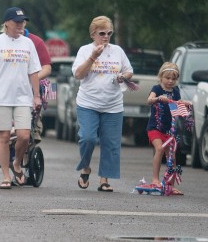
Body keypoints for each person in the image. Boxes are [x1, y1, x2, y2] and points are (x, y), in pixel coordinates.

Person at [0, 7, 42, 189]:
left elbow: (33, 72)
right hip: (1, 97)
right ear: (6, 23)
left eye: (23, 21)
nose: (21, 25)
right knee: (4, 137)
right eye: (17, 22)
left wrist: (37, 96)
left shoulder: (28, 44)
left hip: (23, 97)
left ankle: (16, 164)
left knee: (23, 136)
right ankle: (6, 175)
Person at [72, 15, 133, 193]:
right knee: (88, 138)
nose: (106, 37)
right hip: (88, 103)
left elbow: (129, 71)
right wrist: (93, 57)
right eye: (102, 33)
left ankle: (104, 179)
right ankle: (85, 168)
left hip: (113, 105)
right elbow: (78, 75)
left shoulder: (117, 51)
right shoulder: (84, 50)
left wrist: (123, 76)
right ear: (93, 34)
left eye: (109, 33)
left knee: (110, 143)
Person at [144, 62, 187, 195]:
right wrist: (157, 98)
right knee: (160, 148)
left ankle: (170, 184)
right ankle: (155, 179)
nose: (170, 81)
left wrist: (185, 104)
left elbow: (176, 106)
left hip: (169, 130)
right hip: (155, 128)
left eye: (173, 79)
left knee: (171, 156)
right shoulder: (156, 88)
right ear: (161, 77)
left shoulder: (175, 91)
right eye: (167, 78)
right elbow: (149, 100)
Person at [24, 28, 52, 143]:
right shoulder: (1, 42)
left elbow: (47, 68)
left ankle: (35, 129)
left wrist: (32, 79)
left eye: (22, 22)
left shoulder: (36, 41)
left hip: (34, 87)